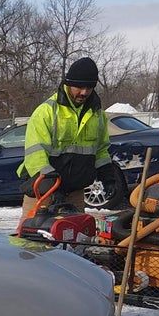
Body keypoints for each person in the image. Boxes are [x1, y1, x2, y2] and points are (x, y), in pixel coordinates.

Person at [18, 57, 113, 215]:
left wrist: (108, 177)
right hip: (44, 192)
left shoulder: (97, 115)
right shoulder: (47, 112)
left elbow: (101, 150)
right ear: (68, 83)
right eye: (79, 87)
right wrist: (52, 189)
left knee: (77, 230)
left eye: (89, 87)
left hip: (74, 193)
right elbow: (36, 155)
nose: (84, 92)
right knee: (33, 231)